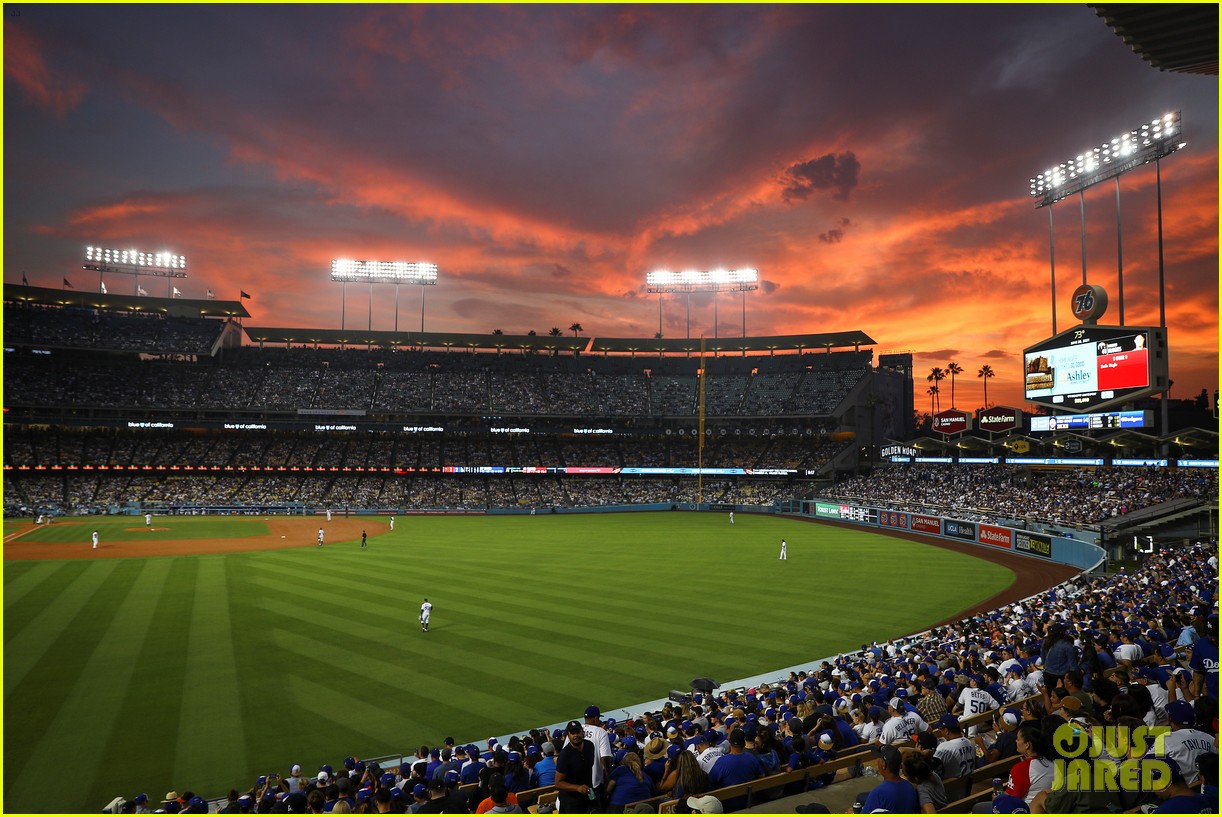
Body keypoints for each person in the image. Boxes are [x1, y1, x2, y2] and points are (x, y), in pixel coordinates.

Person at [555, 721, 595, 814]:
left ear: (583, 732)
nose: (576, 735)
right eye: (572, 733)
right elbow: (558, 783)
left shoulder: (589, 745)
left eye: (578, 731)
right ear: (568, 736)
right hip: (571, 800)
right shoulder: (565, 755)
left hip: (588, 794)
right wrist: (577, 788)